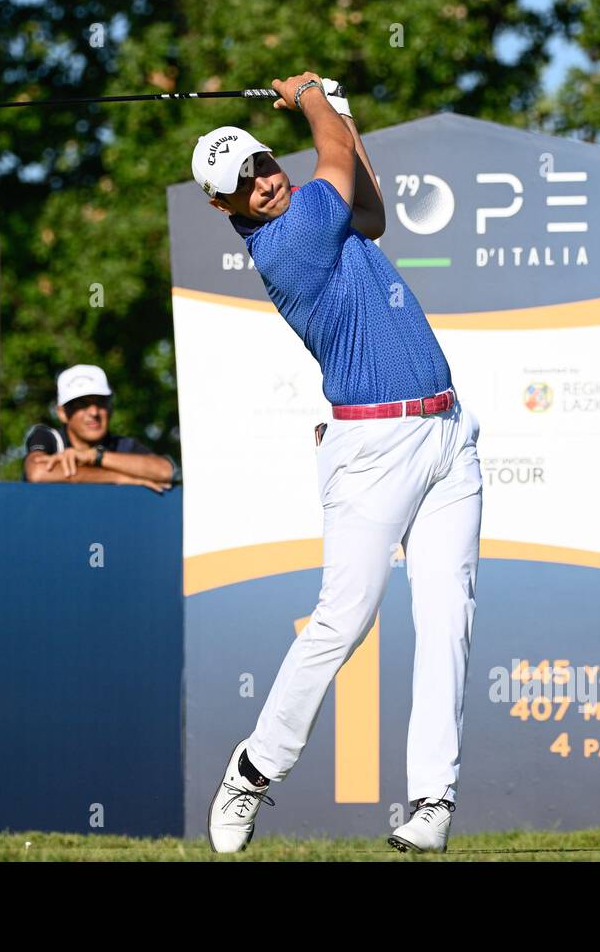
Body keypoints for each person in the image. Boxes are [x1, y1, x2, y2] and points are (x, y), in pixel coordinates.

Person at [196, 73, 483, 853]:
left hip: (448, 433)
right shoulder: (287, 242)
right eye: (242, 185)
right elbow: (330, 156)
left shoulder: (324, 219)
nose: (263, 182)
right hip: (372, 450)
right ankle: (251, 772)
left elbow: (376, 214)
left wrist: (343, 114)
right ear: (223, 209)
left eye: (261, 164)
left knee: (447, 613)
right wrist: (310, 96)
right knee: (341, 620)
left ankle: (431, 800)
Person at [22, 364, 176, 492]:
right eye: (81, 404)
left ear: (111, 408)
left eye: (101, 402)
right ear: (62, 413)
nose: (94, 412)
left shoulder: (122, 445)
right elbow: (37, 472)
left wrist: (95, 457)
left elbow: (165, 471)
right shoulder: (48, 438)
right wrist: (120, 478)